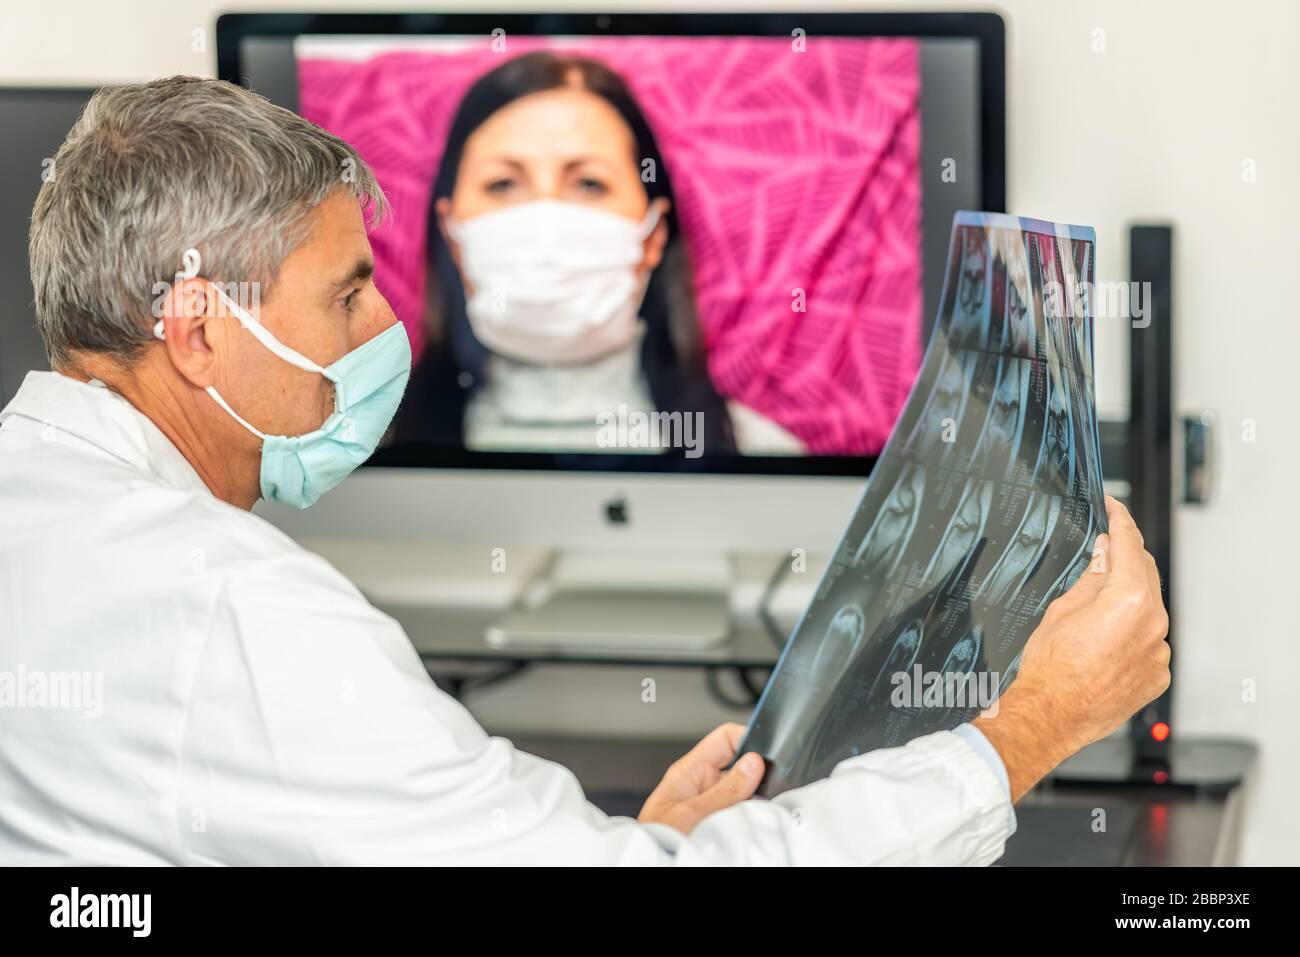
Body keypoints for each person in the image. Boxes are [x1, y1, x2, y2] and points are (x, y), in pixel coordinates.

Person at [0, 77, 1170, 865]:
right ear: (200, 329)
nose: (374, 330)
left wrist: (646, 841)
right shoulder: (241, 610)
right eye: (345, 291)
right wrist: (1026, 731)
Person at [395, 51, 804, 457]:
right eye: (502, 184)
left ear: (652, 236)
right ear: (452, 232)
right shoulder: (360, 463)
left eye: (589, 184)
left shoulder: (764, 459)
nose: (546, 218)